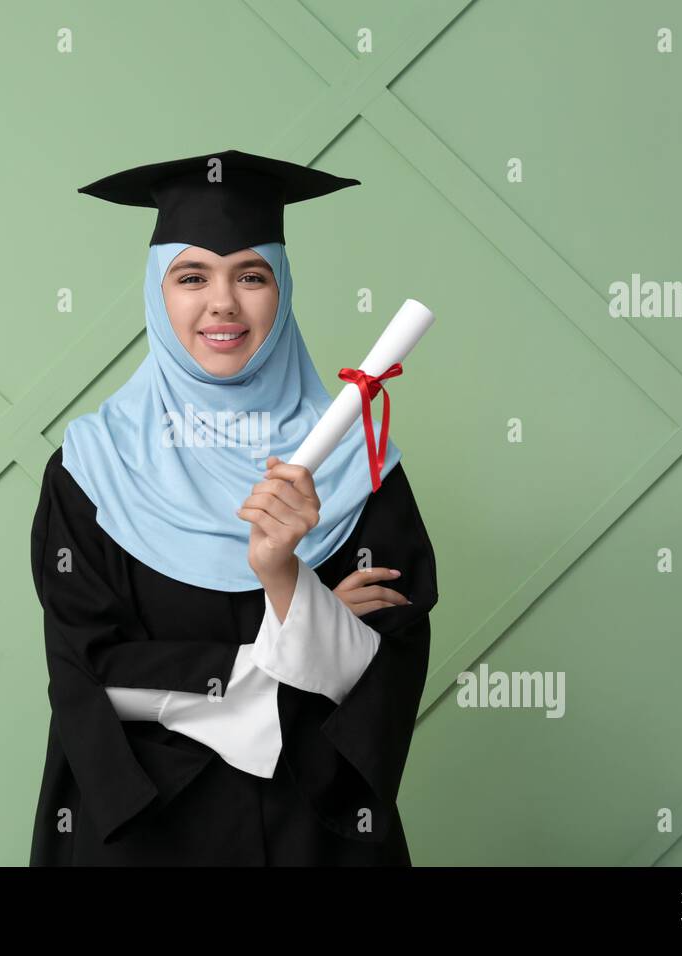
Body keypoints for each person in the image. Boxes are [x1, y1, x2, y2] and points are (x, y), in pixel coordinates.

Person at [29, 149, 439, 865]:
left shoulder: (358, 468)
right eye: (192, 277)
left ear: (281, 291)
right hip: (146, 837)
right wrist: (295, 640)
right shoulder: (91, 469)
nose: (223, 303)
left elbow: (379, 685)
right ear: (159, 293)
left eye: (252, 275)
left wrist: (284, 575)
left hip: (312, 834)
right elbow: (91, 679)